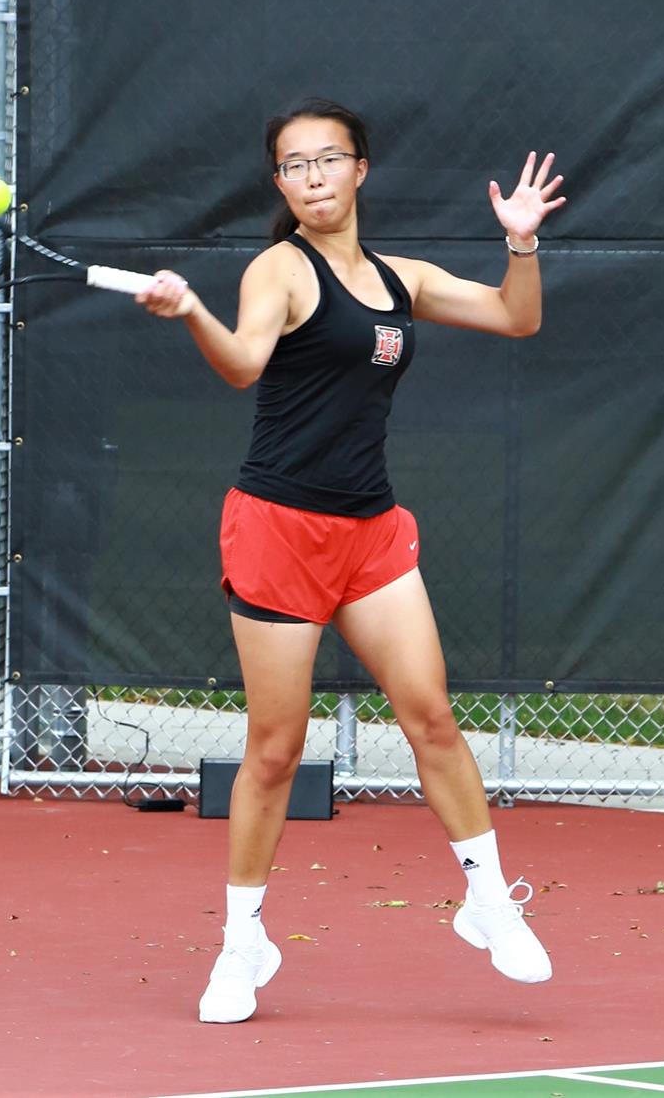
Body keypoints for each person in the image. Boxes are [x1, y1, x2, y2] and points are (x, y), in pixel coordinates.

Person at [134, 98, 567, 1024]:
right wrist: (193, 310)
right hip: (279, 529)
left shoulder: (402, 278)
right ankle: (242, 941)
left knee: (433, 718)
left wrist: (522, 242)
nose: (313, 176)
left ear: (360, 168)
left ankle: (488, 901)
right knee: (275, 751)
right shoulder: (278, 270)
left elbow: (515, 317)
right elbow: (244, 364)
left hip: (371, 532)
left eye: (328, 158)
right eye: (294, 165)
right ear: (281, 184)